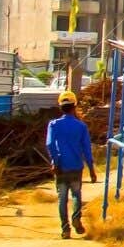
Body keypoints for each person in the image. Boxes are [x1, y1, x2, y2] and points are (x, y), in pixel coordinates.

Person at [45, 91, 96, 239]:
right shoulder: (81, 126)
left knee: (62, 198)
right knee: (76, 194)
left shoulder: (53, 125)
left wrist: (55, 161)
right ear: (75, 106)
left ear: (60, 107)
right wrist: (91, 170)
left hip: (61, 167)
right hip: (76, 166)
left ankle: (65, 229)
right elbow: (87, 149)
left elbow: (49, 144)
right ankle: (76, 218)